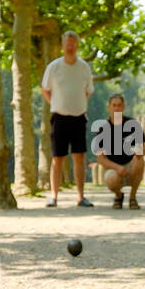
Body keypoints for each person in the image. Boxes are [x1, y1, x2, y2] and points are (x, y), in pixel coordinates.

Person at [41, 30, 94, 207]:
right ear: (62, 46)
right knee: (57, 158)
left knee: (79, 157)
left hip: (79, 118)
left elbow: (88, 91)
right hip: (59, 118)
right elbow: (45, 89)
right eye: (67, 43)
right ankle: (54, 196)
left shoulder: (84, 67)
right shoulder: (53, 67)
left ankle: (81, 196)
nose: (70, 47)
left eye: (73, 43)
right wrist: (56, 103)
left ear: (77, 45)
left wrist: (76, 104)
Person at [92, 93, 145, 210]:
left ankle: (133, 197)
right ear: (109, 107)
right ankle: (118, 196)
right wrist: (117, 168)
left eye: (119, 105)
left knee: (140, 161)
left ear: (123, 107)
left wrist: (139, 151)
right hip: (113, 168)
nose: (117, 108)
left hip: (130, 165)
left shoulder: (133, 125)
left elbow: (143, 149)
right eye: (114, 105)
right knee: (111, 179)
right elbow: (100, 159)